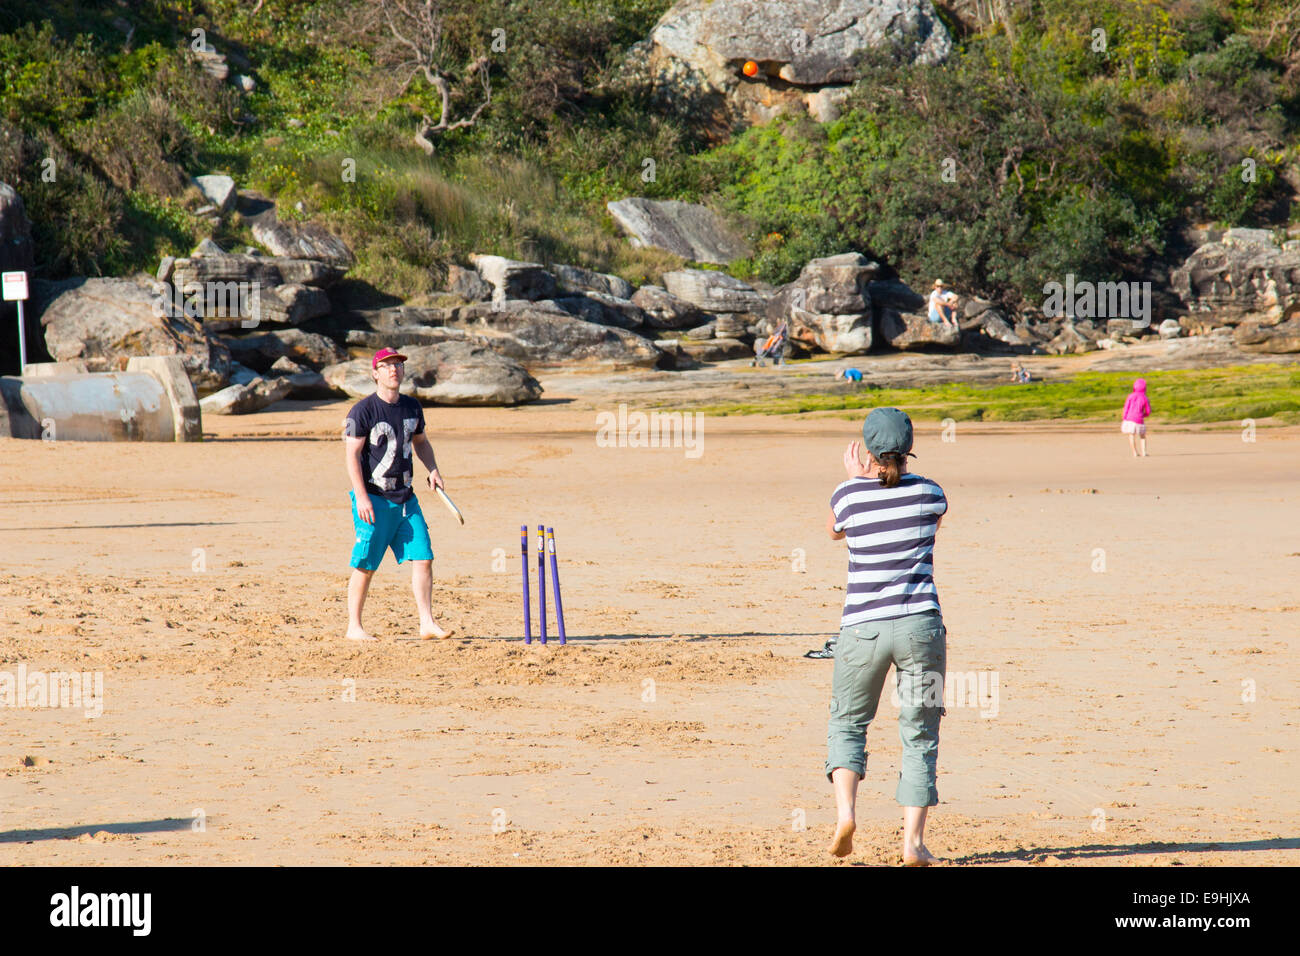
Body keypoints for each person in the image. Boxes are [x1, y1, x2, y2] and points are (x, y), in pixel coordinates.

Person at [825, 407, 949, 865]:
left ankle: (845, 815)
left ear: (870, 449)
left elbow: (835, 533)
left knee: (847, 723)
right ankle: (913, 844)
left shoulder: (847, 495)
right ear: (910, 447)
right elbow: (934, 525)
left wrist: (859, 479)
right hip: (921, 625)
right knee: (920, 735)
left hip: (861, 629)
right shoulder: (932, 493)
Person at [343, 348, 454, 641]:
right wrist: (362, 496)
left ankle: (427, 623)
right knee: (366, 564)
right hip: (373, 498)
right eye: (387, 365)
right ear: (375, 373)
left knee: (424, 557)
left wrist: (433, 469)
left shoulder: (412, 408)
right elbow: (352, 456)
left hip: (406, 498)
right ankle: (354, 627)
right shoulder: (362, 411)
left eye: (398, 365)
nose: (394, 370)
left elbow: (421, 442)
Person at [1121, 377, 1152, 457]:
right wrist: (1144, 415)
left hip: (1129, 419)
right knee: (1142, 436)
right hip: (1139, 419)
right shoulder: (1145, 397)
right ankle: (1144, 452)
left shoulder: (1130, 396)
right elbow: (1148, 411)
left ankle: (1135, 452)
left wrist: (1124, 417)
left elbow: (1126, 407)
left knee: (1131, 435)